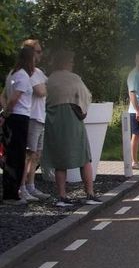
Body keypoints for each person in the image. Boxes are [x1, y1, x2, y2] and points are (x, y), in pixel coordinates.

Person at [41, 50, 102, 207]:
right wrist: (83, 110)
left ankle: (62, 196)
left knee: (60, 161)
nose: (72, 64)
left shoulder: (49, 79)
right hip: (72, 121)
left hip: (54, 122)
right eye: (71, 61)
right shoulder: (74, 78)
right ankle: (90, 193)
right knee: (84, 157)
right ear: (66, 62)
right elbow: (85, 96)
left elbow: (43, 99)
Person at [2, 46, 36, 204]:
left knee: (11, 155)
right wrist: (7, 112)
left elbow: (3, 95)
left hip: (13, 117)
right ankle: (12, 195)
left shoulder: (12, 74)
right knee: (17, 156)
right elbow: (15, 98)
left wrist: (5, 112)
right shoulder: (23, 76)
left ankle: (10, 192)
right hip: (19, 117)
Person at [20, 40, 51, 201]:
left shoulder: (37, 71)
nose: (41, 54)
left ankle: (31, 186)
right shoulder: (28, 73)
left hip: (40, 117)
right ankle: (22, 187)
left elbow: (49, 86)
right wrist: (47, 88)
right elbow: (40, 91)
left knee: (36, 155)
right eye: (38, 52)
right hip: (31, 117)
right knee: (28, 154)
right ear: (30, 53)